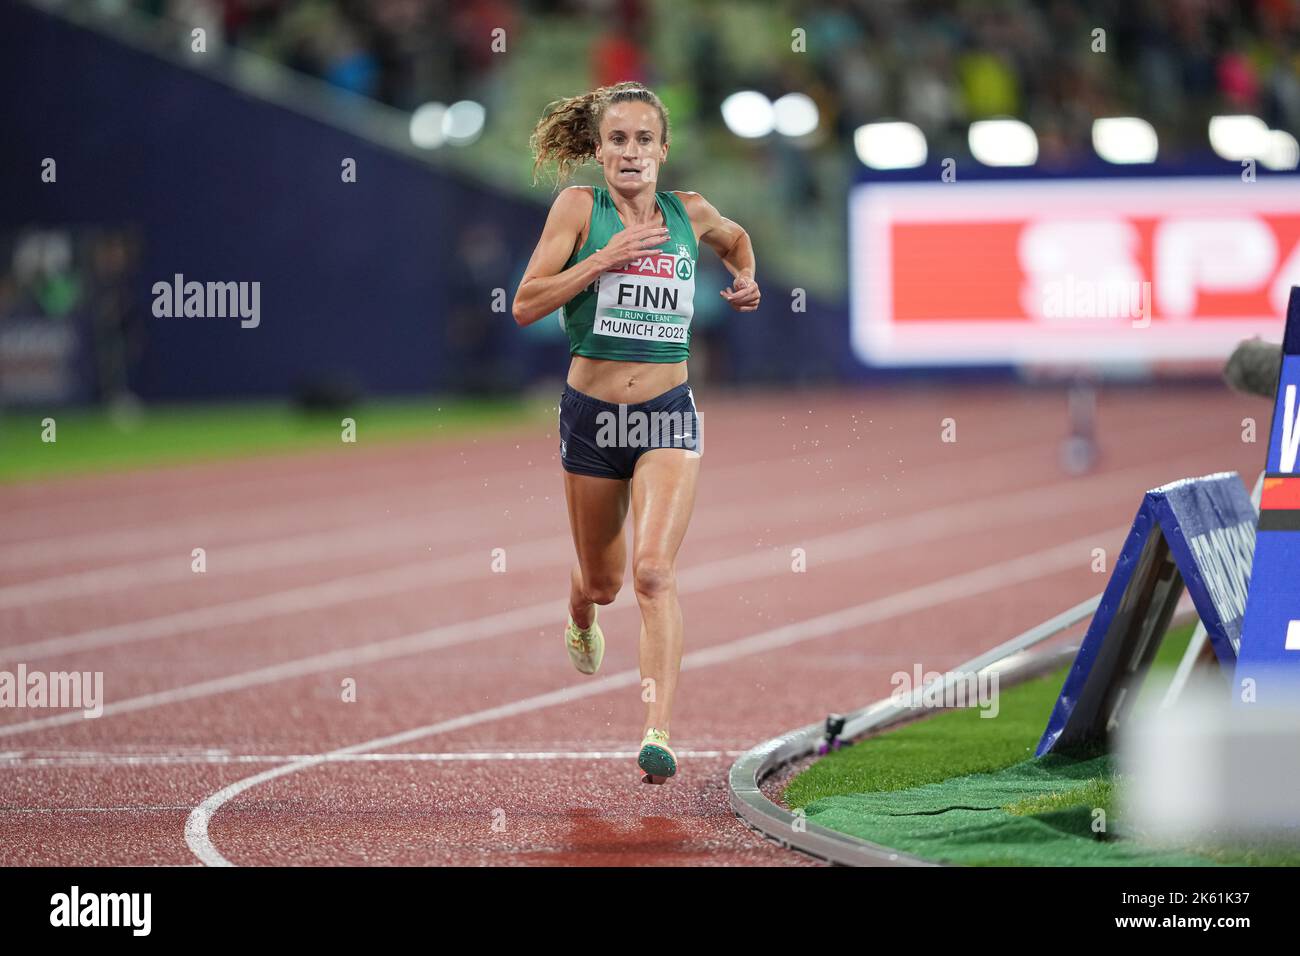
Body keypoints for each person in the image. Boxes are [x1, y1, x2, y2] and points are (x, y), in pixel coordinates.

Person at [512, 82, 759, 782]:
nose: (630, 152)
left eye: (643, 140)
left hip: (668, 415)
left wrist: (745, 277)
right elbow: (525, 304)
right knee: (604, 581)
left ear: (663, 150)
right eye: (617, 140)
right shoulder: (578, 209)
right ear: (598, 150)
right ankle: (580, 612)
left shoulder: (691, 213)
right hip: (590, 421)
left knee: (654, 572)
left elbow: (737, 241)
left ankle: (658, 732)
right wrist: (602, 261)